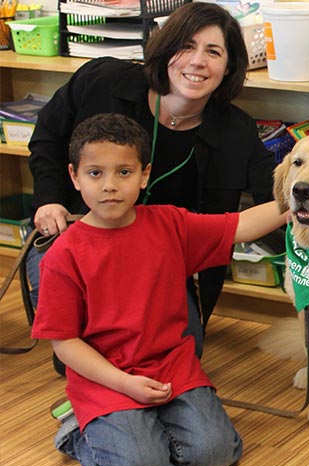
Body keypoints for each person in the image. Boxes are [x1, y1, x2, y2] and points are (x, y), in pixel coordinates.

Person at [31, 113, 287, 466]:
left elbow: (240, 225)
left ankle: (140, 428)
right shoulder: (63, 255)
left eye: (124, 172)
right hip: (105, 378)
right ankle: (78, 431)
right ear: (74, 177)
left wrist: (301, 196)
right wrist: (124, 384)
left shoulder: (169, 223)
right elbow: (64, 342)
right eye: (95, 173)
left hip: (172, 368)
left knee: (216, 456)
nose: (110, 186)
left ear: (144, 175)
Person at [26, 2, 276, 368]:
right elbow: (48, 139)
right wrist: (48, 201)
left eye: (213, 52)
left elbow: (275, 196)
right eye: (186, 46)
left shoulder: (236, 131)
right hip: (81, 241)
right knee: (84, 360)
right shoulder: (102, 82)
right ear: (165, 48)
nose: (197, 62)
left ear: (229, 67)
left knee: (180, 356)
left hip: (161, 266)